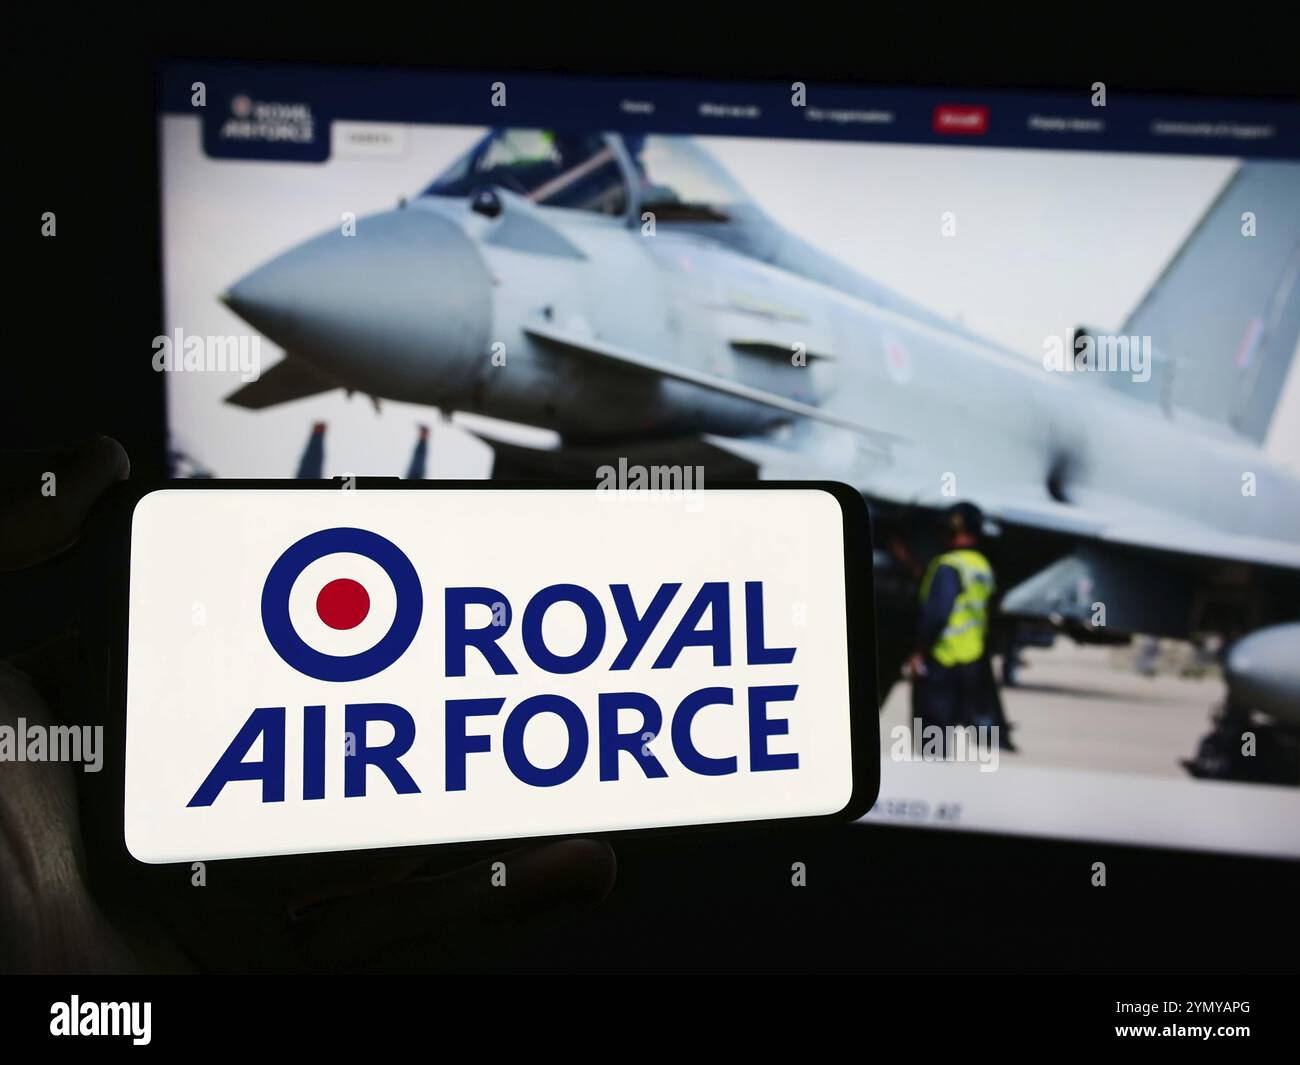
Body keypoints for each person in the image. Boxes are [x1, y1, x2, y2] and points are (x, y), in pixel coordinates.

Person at [908, 502, 1014, 753]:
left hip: (943, 656)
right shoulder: (981, 566)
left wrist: (919, 651)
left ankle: (932, 771)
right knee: (961, 721)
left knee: (932, 736)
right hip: (972, 657)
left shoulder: (949, 566)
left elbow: (937, 614)